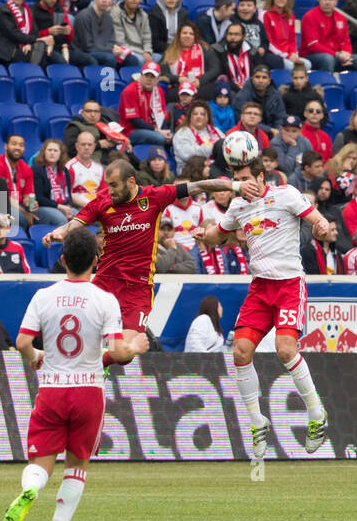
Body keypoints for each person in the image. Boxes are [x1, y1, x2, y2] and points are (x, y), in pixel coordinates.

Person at [4, 229, 147, 521]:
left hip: (52, 389)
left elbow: (23, 342)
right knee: (77, 465)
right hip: (88, 392)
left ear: (63, 259)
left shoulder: (44, 296)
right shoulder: (105, 299)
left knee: (41, 462)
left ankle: (31, 488)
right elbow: (118, 351)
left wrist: (35, 358)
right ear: (96, 261)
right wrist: (135, 344)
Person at [190, 152, 334, 460]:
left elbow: (316, 219)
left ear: (260, 176)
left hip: (289, 284)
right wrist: (205, 233)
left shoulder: (286, 195)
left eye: (245, 179)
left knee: (285, 348)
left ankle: (316, 412)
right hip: (259, 288)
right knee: (240, 352)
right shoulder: (239, 205)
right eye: (237, 180)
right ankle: (257, 423)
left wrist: (321, 227)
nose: (242, 185)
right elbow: (220, 234)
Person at [44, 160, 250, 368]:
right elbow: (76, 223)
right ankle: (74, 370)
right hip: (105, 284)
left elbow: (199, 186)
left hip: (138, 289)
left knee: (125, 354)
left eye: (114, 185)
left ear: (131, 181)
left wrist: (235, 186)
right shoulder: (102, 202)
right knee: (74, 337)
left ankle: (96, 365)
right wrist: (59, 232)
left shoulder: (154, 196)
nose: (110, 191)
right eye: (108, 184)